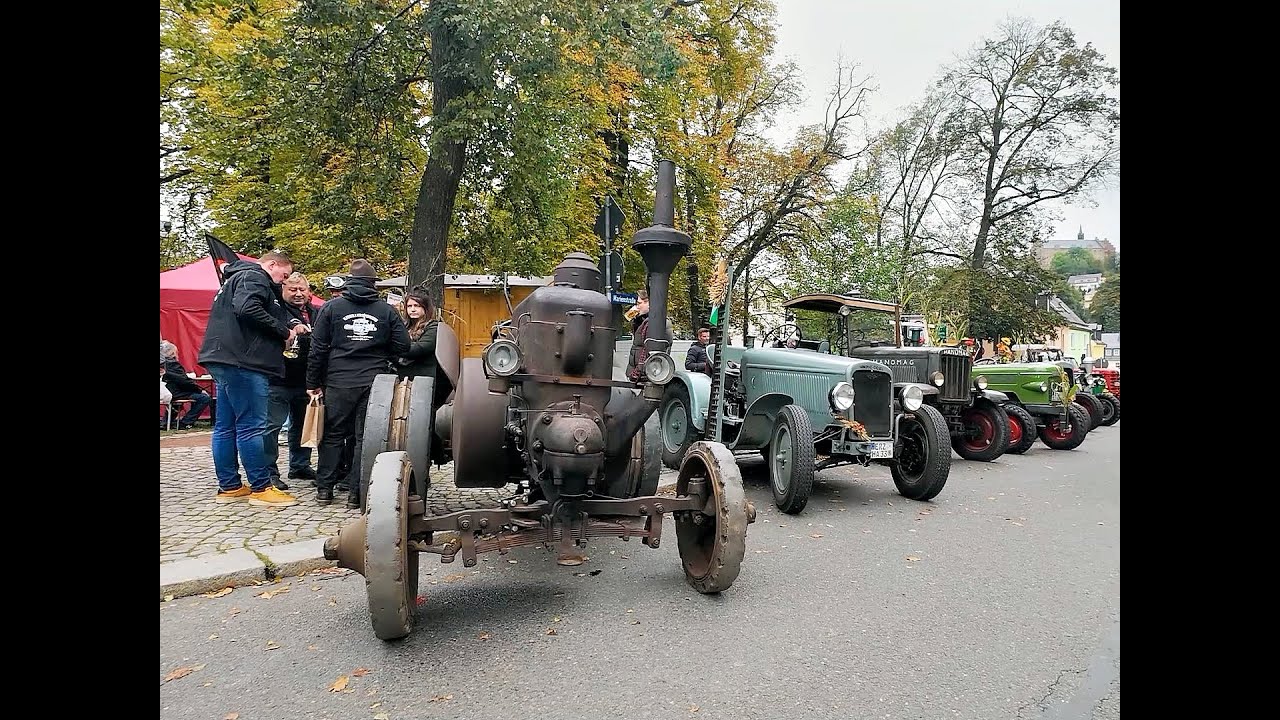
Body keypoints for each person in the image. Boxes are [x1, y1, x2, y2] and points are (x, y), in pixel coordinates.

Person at [198, 251, 304, 507]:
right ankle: (261, 487)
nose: (283, 281)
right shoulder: (254, 277)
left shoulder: (234, 279)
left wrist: (287, 319)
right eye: (284, 275)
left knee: (226, 426)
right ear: (271, 264)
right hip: (244, 361)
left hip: (222, 358)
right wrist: (284, 332)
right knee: (251, 425)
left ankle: (230, 486)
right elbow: (247, 307)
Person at [307, 259, 411, 508]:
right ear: (373, 284)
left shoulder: (331, 308)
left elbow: (318, 348)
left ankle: (325, 489)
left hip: (339, 380)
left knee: (331, 435)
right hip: (374, 382)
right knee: (364, 438)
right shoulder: (386, 311)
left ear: (348, 283)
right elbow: (403, 346)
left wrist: (313, 382)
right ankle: (356, 493)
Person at [263, 272, 317, 491]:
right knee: (272, 427)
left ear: (309, 291)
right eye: (292, 290)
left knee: (303, 426)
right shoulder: (275, 310)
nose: (297, 294)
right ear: (283, 290)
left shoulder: (317, 313)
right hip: (278, 378)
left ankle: (300, 465)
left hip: (306, 380)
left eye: (302, 290)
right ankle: (268, 472)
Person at [160, 340, 212, 430]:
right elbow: (184, 381)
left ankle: (166, 422)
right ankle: (186, 422)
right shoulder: (172, 363)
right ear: (172, 352)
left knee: (183, 400)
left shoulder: (164, 364)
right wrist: (199, 390)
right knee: (204, 398)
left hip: (168, 391)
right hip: (174, 391)